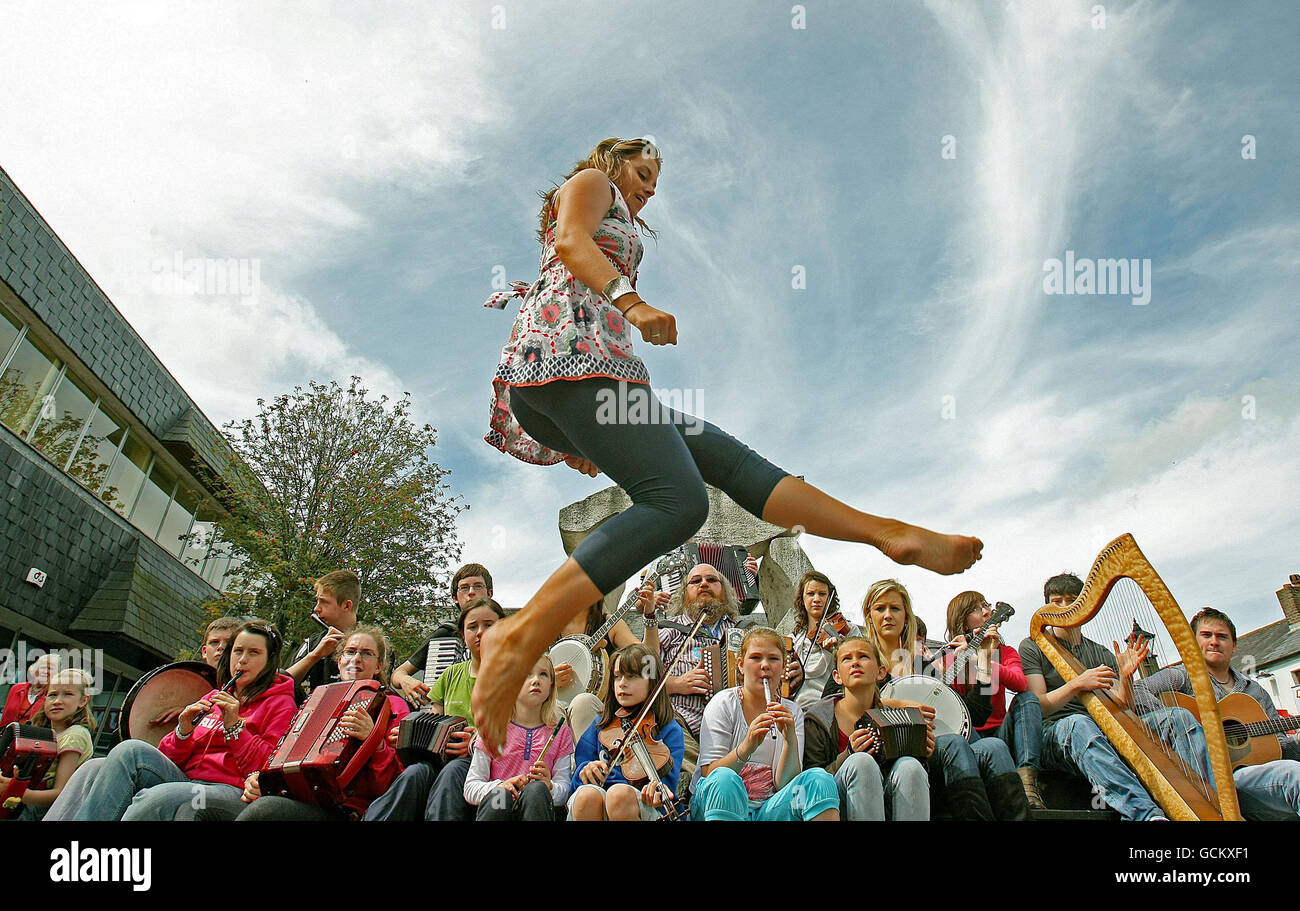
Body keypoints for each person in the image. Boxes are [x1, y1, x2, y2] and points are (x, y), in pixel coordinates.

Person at [472, 137, 983, 751]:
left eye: (653, 185)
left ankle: (886, 532)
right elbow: (570, 243)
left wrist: (589, 438)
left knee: (728, 462)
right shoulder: (590, 184)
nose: (647, 191)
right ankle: (525, 630)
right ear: (614, 161)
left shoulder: (619, 211)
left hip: (585, 387)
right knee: (678, 501)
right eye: (642, 174)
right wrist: (632, 304)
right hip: (568, 367)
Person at [50, 620, 296, 821]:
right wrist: (183, 731)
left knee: (155, 798)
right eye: (238, 651)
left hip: (230, 789)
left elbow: (266, 769)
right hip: (186, 778)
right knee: (120, 754)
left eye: (254, 653)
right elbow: (170, 757)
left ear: (270, 661)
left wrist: (235, 727)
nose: (242, 660)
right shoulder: (214, 696)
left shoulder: (282, 705)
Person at [1019, 572, 1178, 821]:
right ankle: (1147, 816)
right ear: (1045, 606)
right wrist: (1077, 684)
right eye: (1056, 600)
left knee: (1177, 718)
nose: (1063, 606)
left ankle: (1210, 810)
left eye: (1071, 600)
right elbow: (1037, 706)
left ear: (1083, 606)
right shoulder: (1032, 646)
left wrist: (1125, 678)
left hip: (1103, 730)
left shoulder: (1101, 652)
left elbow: (1122, 706)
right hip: (1054, 734)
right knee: (1079, 724)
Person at [1134, 607, 1300, 820]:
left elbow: (1279, 746)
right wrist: (1192, 731)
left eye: (1222, 636)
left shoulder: (1255, 691)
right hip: (1210, 785)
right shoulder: (1182, 676)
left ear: (1234, 647)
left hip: (1256, 779)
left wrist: (1296, 740)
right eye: (1206, 635)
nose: (1214, 641)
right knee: (1294, 776)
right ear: (1193, 644)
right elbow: (1137, 691)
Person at [233, 625, 409, 821]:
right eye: (350, 652)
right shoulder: (317, 699)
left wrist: (374, 741)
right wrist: (263, 780)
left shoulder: (393, 706)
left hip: (349, 810)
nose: (356, 659)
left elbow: (398, 783)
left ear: (378, 666)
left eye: (367, 654)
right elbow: (284, 754)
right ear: (339, 660)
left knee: (266, 810)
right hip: (303, 797)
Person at [363, 597, 504, 822]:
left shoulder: (517, 675)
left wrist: (477, 740)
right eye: (472, 626)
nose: (480, 632)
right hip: (446, 757)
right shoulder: (450, 675)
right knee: (415, 772)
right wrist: (409, 733)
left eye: (489, 625)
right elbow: (434, 716)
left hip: (488, 761)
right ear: (462, 635)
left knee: (453, 770)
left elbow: (524, 724)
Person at [692, 627, 839, 821]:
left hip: (768, 809)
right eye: (755, 658)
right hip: (716, 803)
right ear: (741, 665)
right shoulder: (723, 703)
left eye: (773, 659)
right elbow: (710, 774)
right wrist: (746, 747)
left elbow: (784, 784)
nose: (765, 665)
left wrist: (790, 740)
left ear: (783, 666)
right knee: (724, 780)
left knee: (819, 780)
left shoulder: (793, 711)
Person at [803, 637, 931, 820]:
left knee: (911, 767)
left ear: (881, 672)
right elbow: (813, 781)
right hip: (838, 804)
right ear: (837, 676)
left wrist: (922, 753)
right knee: (861, 762)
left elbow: (905, 779)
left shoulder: (894, 719)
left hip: (885, 803)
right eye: (847, 659)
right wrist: (848, 753)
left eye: (863, 656)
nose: (855, 662)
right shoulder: (818, 719)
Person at [942, 591, 1045, 808]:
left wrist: (984, 659)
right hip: (971, 736)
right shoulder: (951, 658)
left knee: (1027, 699)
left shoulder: (1006, 652)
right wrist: (967, 656)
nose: (987, 612)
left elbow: (1020, 683)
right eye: (976, 609)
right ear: (962, 621)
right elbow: (946, 699)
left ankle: (1028, 785)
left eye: (986, 605)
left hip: (1003, 733)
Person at [569, 643, 684, 820]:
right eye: (617, 677)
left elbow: (667, 785)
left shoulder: (668, 729)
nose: (622, 683)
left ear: (653, 681)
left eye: (632, 677)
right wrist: (585, 770)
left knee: (619, 795)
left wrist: (655, 793)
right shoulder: (601, 724)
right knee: (586, 796)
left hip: (640, 809)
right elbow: (578, 777)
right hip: (598, 803)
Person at [463, 655, 574, 821]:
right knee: (500, 795)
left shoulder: (560, 731)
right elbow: (470, 788)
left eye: (543, 674)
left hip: (537, 808)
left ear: (551, 686)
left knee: (536, 790)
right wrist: (502, 785)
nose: (536, 680)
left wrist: (549, 786)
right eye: (527, 674)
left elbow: (564, 791)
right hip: (499, 808)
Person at [392, 563, 493, 707]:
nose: (471, 592)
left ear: (489, 593)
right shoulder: (446, 633)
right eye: (464, 587)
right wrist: (405, 680)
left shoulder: (508, 631)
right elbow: (398, 673)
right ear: (455, 597)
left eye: (478, 586)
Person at [1, 668, 95, 821]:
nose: (57, 701)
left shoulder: (75, 734)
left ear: (83, 701)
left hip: (39, 811)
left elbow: (60, 794)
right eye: (52, 695)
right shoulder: (45, 733)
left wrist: (16, 792)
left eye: (68, 694)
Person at [789, 571, 861, 711]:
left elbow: (861, 663)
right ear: (802, 599)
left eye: (822, 594)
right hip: (799, 708)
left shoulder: (848, 630)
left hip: (835, 706)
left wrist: (839, 652)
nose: (816, 599)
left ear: (829, 598)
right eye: (811, 594)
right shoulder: (794, 639)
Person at [287, 570, 360, 693]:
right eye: (317, 601)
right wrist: (315, 655)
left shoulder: (376, 645)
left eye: (324, 602)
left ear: (347, 606)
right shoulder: (313, 643)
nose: (316, 608)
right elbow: (282, 682)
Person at [1, 653, 58, 728]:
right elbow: (5, 717)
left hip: (32, 737)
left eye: (50, 668)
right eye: (42, 667)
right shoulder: (17, 688)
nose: (44, 671)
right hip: (8, 735)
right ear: (34, 669)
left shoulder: (53, 695)